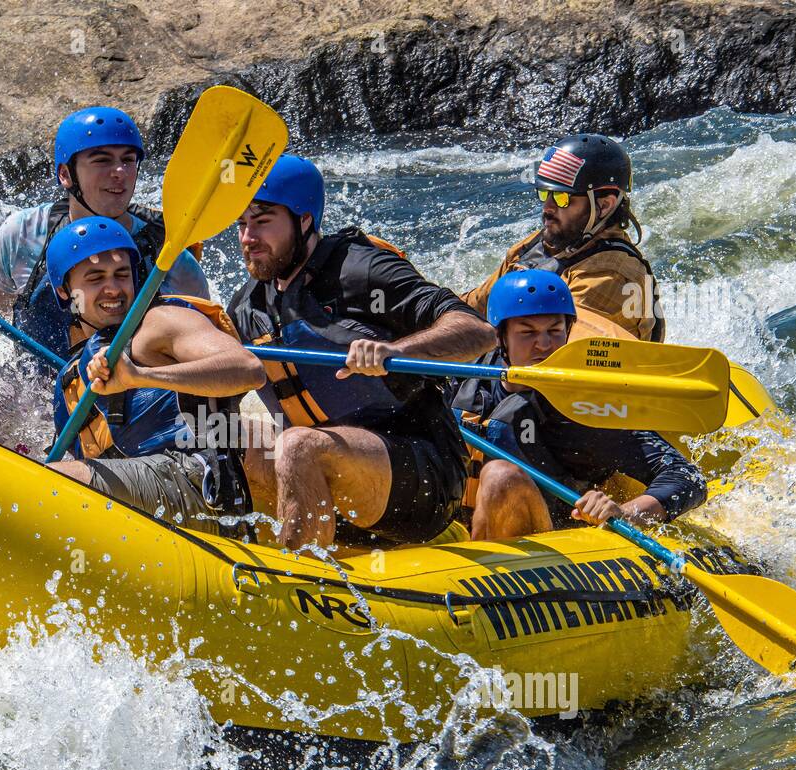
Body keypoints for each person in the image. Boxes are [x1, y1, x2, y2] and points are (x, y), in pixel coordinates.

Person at [227, 154, 498, 552]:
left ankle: (303, 584)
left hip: (423, 476)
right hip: (332, 485)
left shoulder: (361, 270)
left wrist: (397, 349)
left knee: (299, 445)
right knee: (224, 433)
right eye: (242, 223)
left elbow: (478, 331)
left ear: (304, 221)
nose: (249, 238)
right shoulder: (246, 307)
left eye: (263, 221)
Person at [45, 217, 264, 536]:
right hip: (137, 514)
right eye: (95, 278)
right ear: (66, 292)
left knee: (56, 481)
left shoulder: (161, 322)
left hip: (200, 488)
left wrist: (141, 376)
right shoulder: (69, 380)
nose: (113, 288)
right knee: (36, 477)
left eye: (122, 274)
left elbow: (248, 369)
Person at [450, 270, 705, 541]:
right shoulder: (463, 380)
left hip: (546, 540)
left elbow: (687, 477)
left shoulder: (580, 410)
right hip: (461, 533)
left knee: (501, 477)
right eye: (527, 332)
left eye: (555, 331)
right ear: (500, 338)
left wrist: (625, 513)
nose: (545, 345)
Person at [0, 106, 210, 362]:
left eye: (128, 160)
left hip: (137, 391)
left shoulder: (168, 251)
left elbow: (209, 351)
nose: (120, 172)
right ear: (65, 174)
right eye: (102, 160)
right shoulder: (23, 234)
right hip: (39, 394)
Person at [463, 133, 666, 342]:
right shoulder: (537, 246)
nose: (547, 207)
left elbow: (551, 346)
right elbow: (475, 304)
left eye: (562, 198)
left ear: (604, 206)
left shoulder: (611, 274)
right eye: (545, 194)